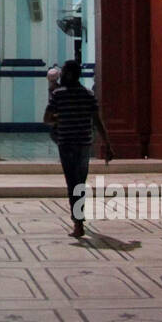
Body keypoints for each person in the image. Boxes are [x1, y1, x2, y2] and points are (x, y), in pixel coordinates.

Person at [46, 59, 113, 238]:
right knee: (80, 183)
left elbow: (47, 118)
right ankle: (79, 221)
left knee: (72, 183)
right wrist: (107, 143)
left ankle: (78, 223)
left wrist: (60, 119)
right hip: (84, 143)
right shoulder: (88, 94)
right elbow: (97, 121)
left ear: (67, 74)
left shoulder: (58, 94)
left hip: (66, 142)